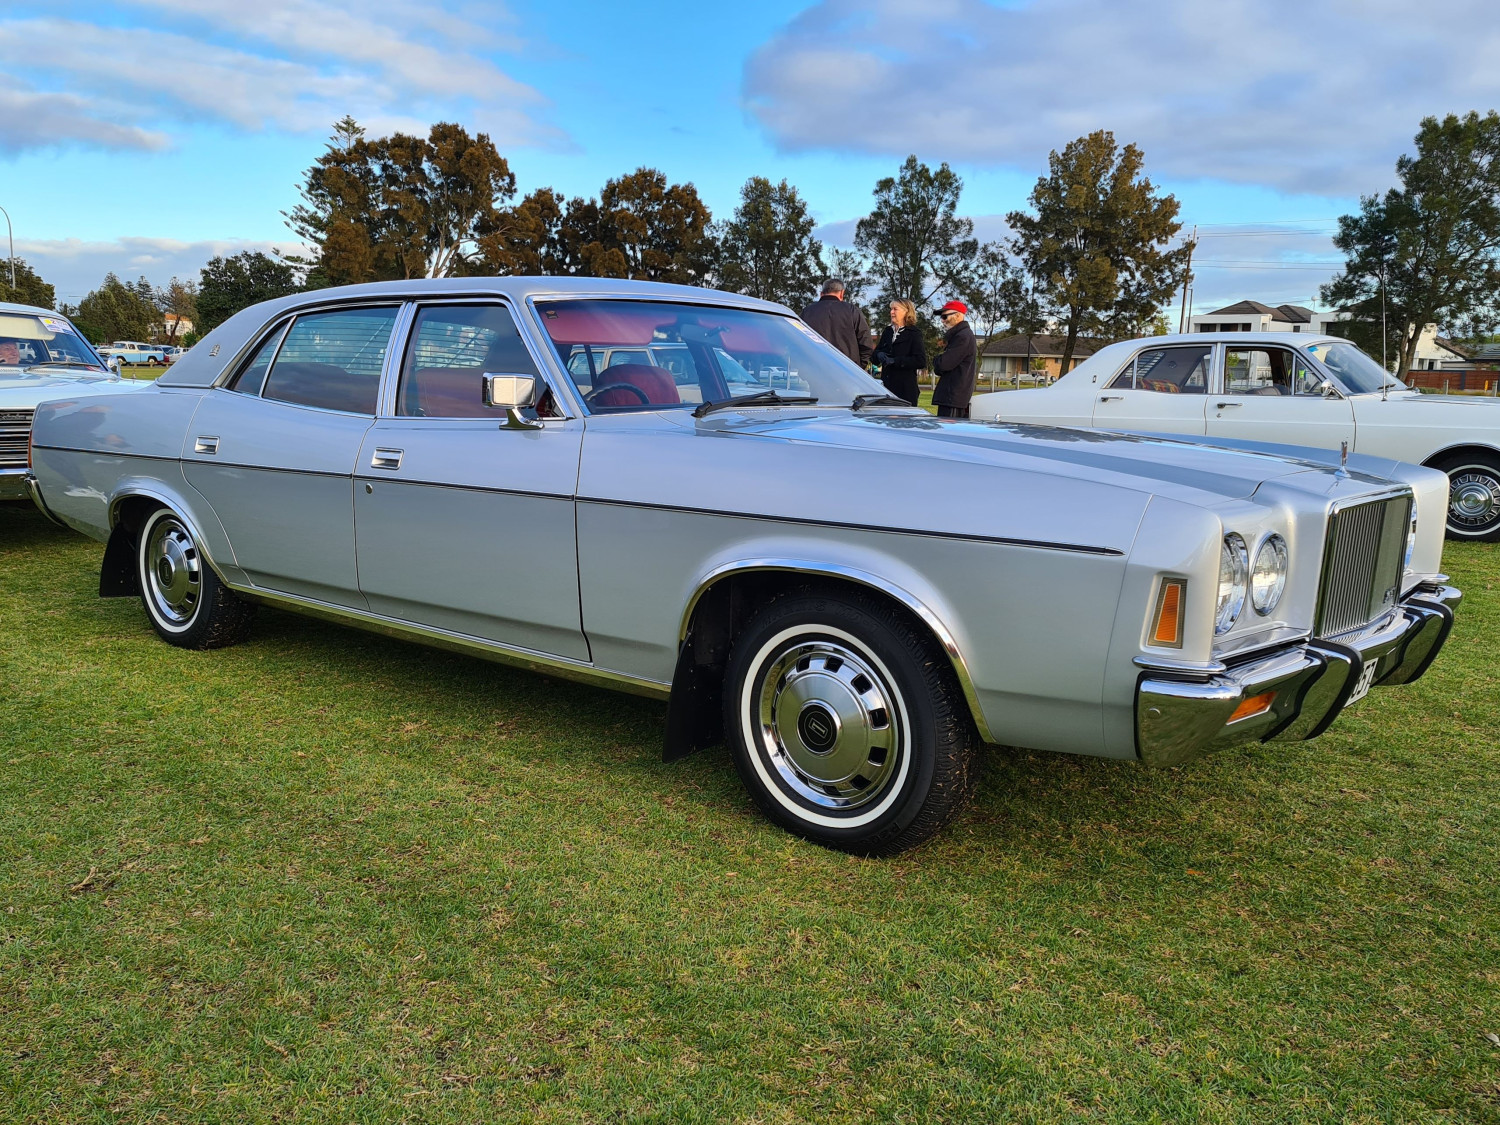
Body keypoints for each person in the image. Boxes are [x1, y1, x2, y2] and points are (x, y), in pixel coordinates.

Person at [800, 278, 873, 368]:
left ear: (821, 293)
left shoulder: (807, 312)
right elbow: (866, 343)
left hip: (814, 369)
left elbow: (798, 341)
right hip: (847, 370)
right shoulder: (852, 311)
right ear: (842, 293)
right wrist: (858, 368)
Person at [872, 298, 925, 406]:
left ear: (906, 311)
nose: (891, 312)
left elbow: (920, 361)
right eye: (891, 309)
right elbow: (874, 356)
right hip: (886, 389)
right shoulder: (887, 331)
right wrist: (878, 355)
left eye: (895, 309)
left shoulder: (914, 333)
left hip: (905, 390)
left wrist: (895, 361)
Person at [931, 300, 977, 418]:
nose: (942, 320)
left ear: (957, 315)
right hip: (952, 397)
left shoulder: (962, 337)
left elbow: (944, 364)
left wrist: (937, 360)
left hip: (953, 397)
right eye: (941, 317)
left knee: (947, 432)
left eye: (945, 316)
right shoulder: (960, 335)